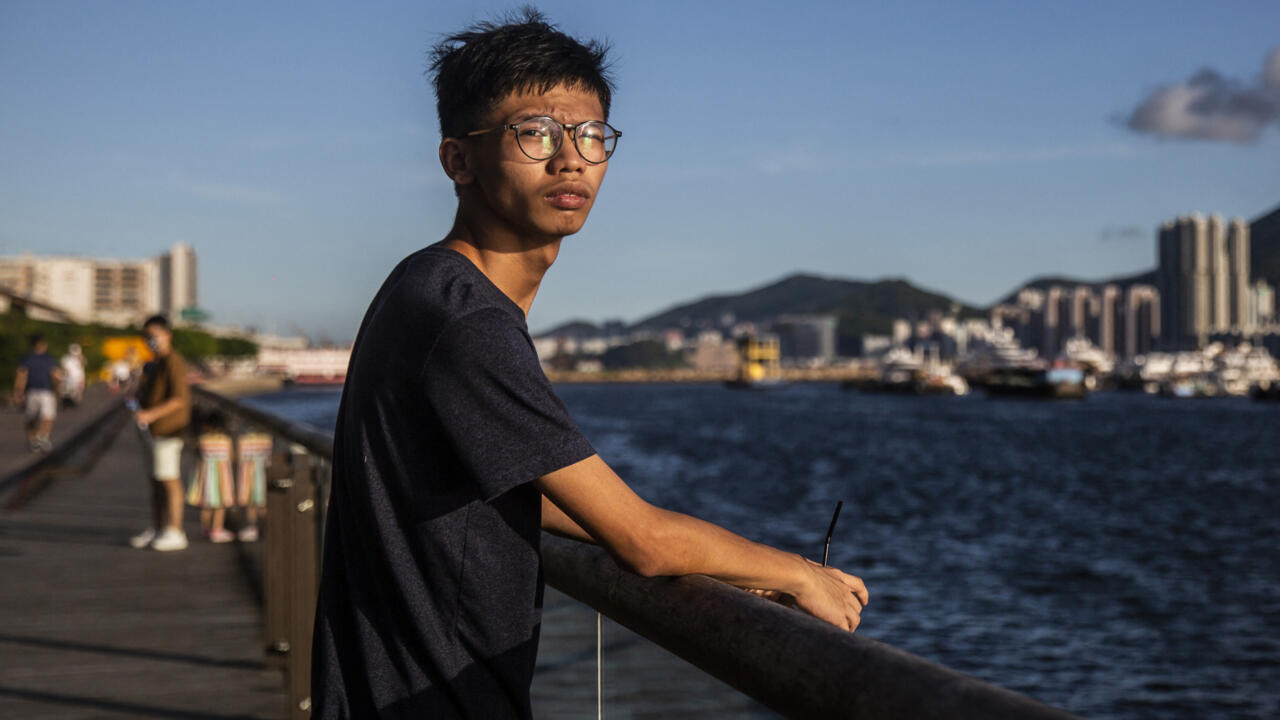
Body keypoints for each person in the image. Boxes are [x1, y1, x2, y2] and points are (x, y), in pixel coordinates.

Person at [311, 11, 868, 719]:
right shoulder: (469, 323)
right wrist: (796, 574)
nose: (570, 159)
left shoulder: (423, 285)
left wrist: (728, 563)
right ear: (458, 160)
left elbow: (499, 487)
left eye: (590, 135)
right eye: (534, 133)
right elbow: (643, 543)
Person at [129, 315, 192, 552]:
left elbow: (179, 399)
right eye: (146, 336)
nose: (150, 341)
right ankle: (159, 529)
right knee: (156, 482)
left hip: (169, 431)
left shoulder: (174, 361)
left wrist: (150, 414)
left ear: (167, 335)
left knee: (169, 480)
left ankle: (175, 530)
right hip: (153, 433)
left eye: (153, 336)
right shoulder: (155, 363)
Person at [185, 409, 235, 543]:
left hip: (205, 476)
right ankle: (217, 529)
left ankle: (205, 529)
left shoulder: (202, 440)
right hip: (222, 476)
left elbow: (198, 456)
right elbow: (231, 457)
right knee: (220, 505)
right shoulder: (226, 440)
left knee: (206, 505)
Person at [13, 334, 63, 453]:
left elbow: (22, 376)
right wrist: (19, 392)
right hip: (35, 391)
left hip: (43, 391)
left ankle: (41, 438)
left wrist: (18, 392)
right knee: (34, 417)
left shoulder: (45, 358)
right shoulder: (33, 359)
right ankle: (35, 439)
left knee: (46, 416)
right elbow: (22, 376)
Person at [234, 430, 271, 542]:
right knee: (263, 504)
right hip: (263, 474)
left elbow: (239, 457)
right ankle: (265, 527)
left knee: (251, 504)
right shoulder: (267, 440)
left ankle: (252, 527)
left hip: (248, 475)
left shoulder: (243, 440)